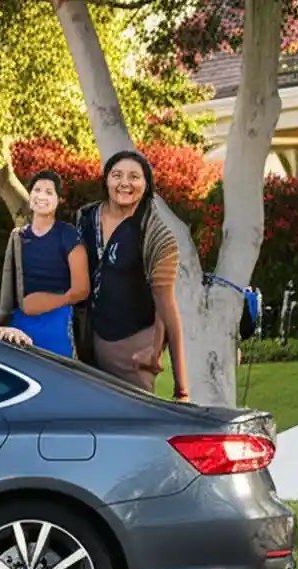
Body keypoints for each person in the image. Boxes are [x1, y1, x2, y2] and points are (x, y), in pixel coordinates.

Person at [74, 150, 190, 401]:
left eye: (134, 177)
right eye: (117, 175)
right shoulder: (85, 218)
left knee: (130, 423)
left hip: (132, 350)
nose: (124, 183)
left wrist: (181, 389)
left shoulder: (156, 234)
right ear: (106, 180)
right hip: (86, 341)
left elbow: (167, 306)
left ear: (147, 185)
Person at [0, 170, 89, 357]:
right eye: (37, 190)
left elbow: (82, 289)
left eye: (49, 192)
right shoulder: (18, 237)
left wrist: (43, 302)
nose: (41, 196)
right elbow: (7, 288)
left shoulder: (68, 235)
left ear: (58, 200)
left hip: (57, 323)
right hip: (20, 325)